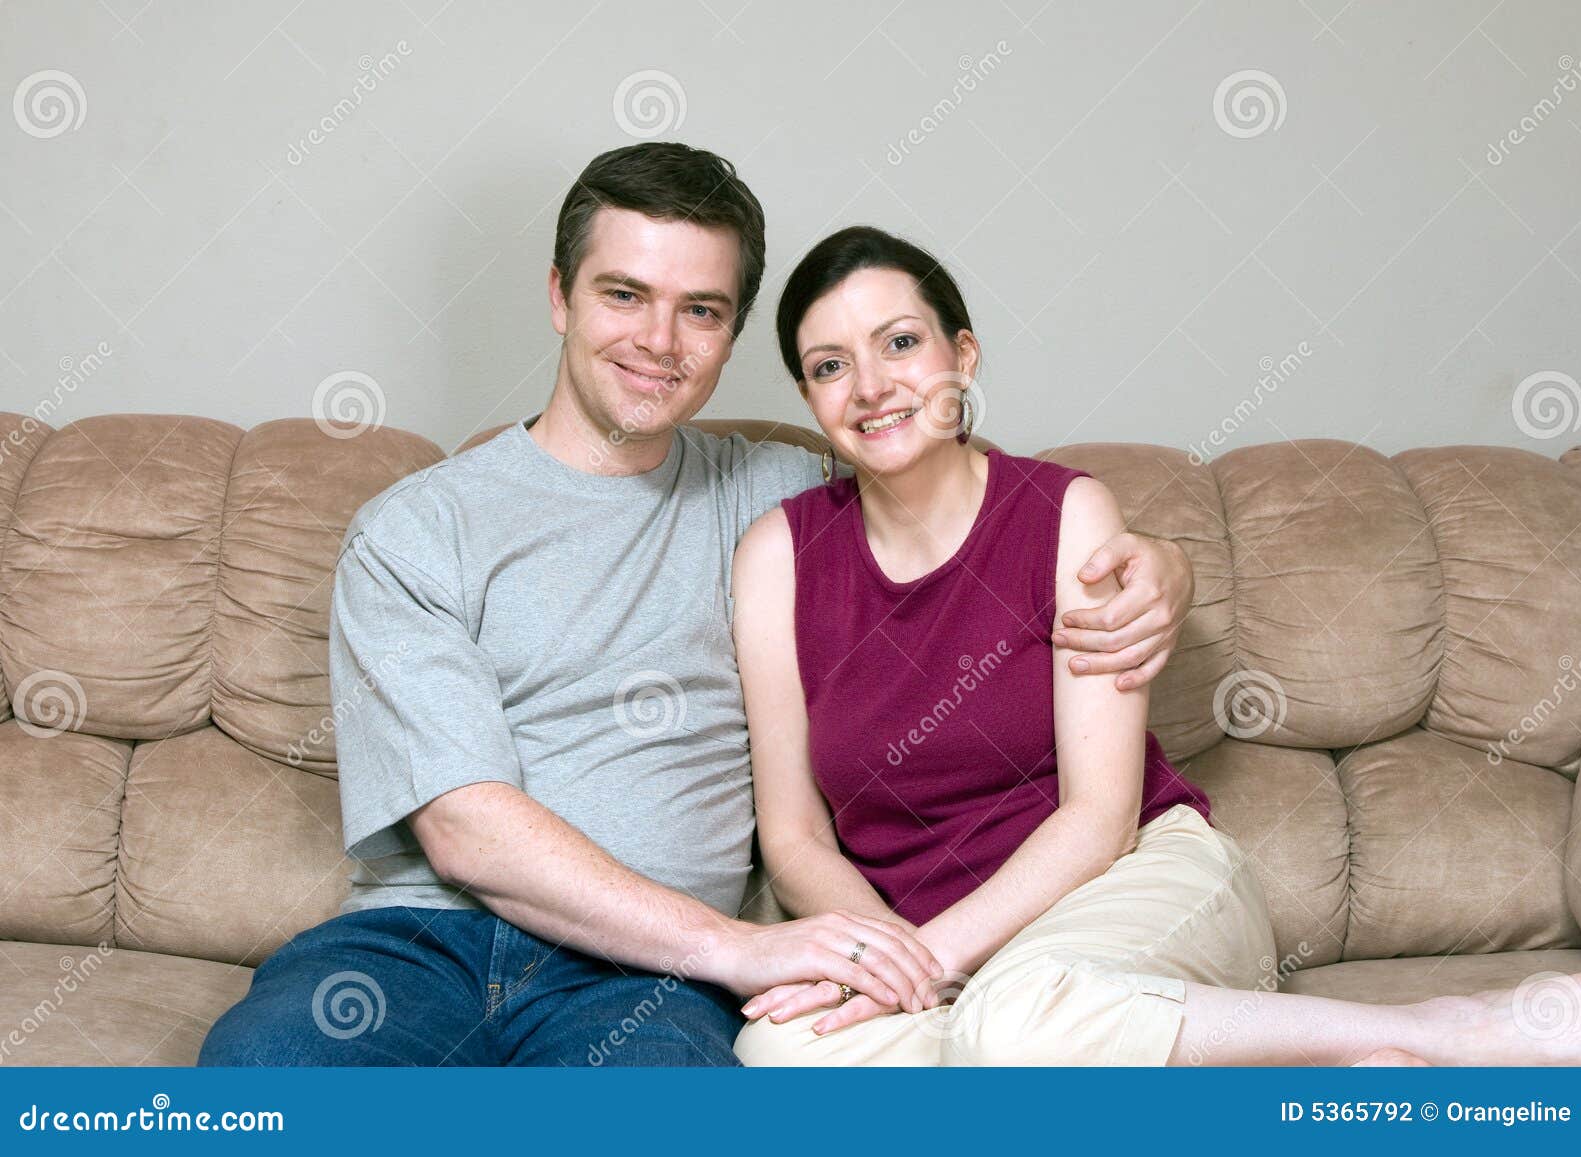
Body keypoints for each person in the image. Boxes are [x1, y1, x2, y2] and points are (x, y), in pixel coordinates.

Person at [197, 142, 1198, 1067]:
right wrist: (739, 946)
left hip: (647, 984)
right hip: (423, 941)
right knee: (263, 1078)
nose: (658, 340)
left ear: (732, 335)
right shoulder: (416, 531)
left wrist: (1158, 559)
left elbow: (968, 501)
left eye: (702, 310)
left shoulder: (782, 503)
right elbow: (467, 832)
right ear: (559, 296)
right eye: (623, 293)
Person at [730, 225, 1581, 1067]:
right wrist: (882, 958)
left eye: (900, 342)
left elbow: (1098, 817)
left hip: (1124, 881)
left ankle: (1447, 1032)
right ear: (811, 400)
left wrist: (923, 965)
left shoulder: (1066, 516)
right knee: (782, 1052)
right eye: (831, 367)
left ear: (963, 356)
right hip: (916, 930)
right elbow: (798, 835)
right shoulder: (779, 555)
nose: (871, 385)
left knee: (1016, 1029)